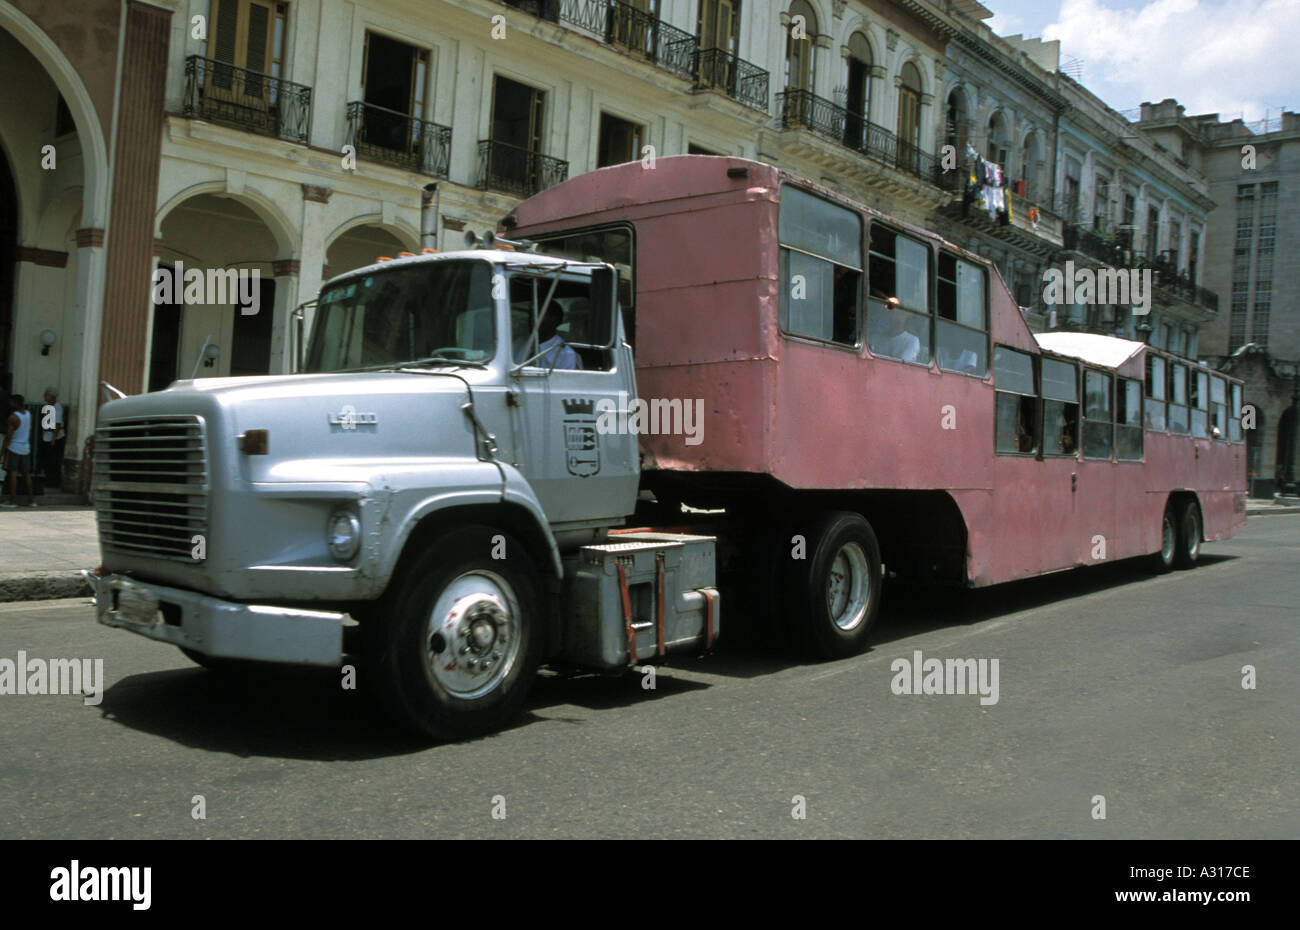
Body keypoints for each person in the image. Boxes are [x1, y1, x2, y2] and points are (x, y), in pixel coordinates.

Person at [514, 301, 583, 370]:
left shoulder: (566, 355)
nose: (532, 319)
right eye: (531, 315)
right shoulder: (518, 343)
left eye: (538, 315)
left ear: (555, 320)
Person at [2, 394, 36, 507]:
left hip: (14, 448)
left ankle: (13, 501)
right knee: (27, 474)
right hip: (25, 447)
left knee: (13, 474)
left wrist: (2, 451)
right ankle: (31, 500)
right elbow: (29, 430)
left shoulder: (13, 417)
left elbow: (8, 436)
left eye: (11, 402)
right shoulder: (28, 414)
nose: (10, 404)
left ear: (15, 403)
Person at [39, 387, 65, 489]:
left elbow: (57, 424)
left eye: (46, 394)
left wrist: (54, 438)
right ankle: (48, 479)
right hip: (47, 435)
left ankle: (54, 482)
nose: (45, 396)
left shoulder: (57, 407)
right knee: (47, 459)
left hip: (55, 437)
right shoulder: (46, 406)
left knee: (54, 460)